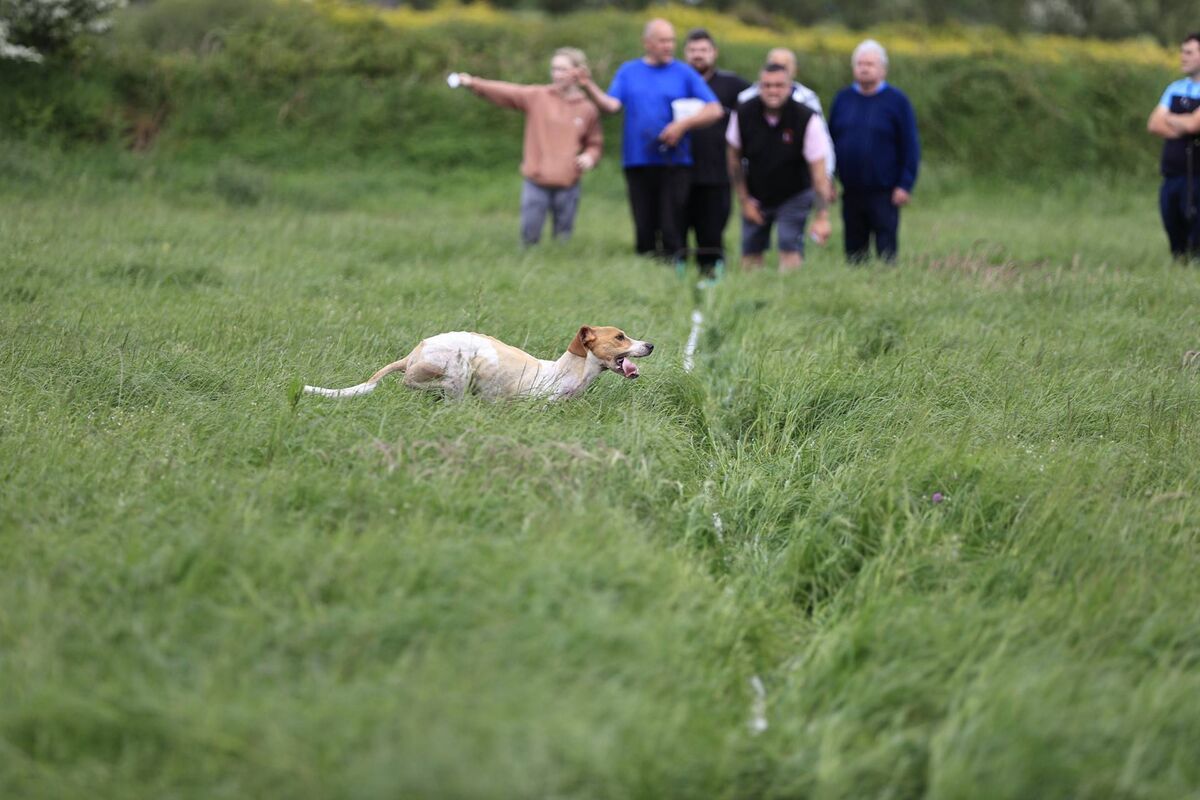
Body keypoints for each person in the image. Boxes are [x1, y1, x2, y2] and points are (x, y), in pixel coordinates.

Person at [579, 19, 722, 260]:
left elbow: (715, 109)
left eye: (672, 40)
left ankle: (673, 269)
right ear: (647, 43)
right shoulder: (629, 71)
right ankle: (646, 271)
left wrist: (683, 125)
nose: (669, 46)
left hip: (675, 162)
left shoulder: (683, 72)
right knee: (644, 223)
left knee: (671, 222)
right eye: (663, 41)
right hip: (638, 159)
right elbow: (612, 106)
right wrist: (588, 85)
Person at [454, 48, 602, 246]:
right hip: (536, 181)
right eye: (554, 69)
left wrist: (589, 157)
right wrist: (473, 83)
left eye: (562, 69)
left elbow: (594, 143)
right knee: (529, 239)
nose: (556, 74)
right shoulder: (538, 96)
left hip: (568, 184)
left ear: (578, 72)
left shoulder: (587, 108)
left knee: (563, 240)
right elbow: (506, 91)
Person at [727, 63, 834, 273]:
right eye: (767, 85)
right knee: (750, 250)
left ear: (789, 87)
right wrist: (744, 201)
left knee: (788, 242)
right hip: (756, 193)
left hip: (795, 192)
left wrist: (822, 217)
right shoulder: (743, 112)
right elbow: (733, 159)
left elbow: (819, 172)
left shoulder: (807, 118)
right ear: (759, 87)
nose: (773, 91)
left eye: (779, 85)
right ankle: (752, 297)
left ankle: (789, 294)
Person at [828, 39, 920, 263]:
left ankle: (886, 286)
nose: (864, 68)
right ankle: (857, 290)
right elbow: (828, 142)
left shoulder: (897, 101)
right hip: (850, 189)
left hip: (885, 191)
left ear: (883, 69)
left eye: (870, 64)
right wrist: (828, 179)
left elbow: (910, 144)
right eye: (860, 63)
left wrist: (905, 184)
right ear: (853, 68)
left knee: (886, 249)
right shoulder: (843, 99)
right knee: (854, 250)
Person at [681, 28, 750, 280]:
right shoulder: (677, 80)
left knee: (711, 231)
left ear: (714, 53)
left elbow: (757, 107)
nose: (698, 55)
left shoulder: (733, 85)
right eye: (693, 50)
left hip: (717, 172)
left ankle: (711, 280)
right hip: (677, 171)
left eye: (704, 50)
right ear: (685, 53)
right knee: (675, 230)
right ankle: (675, 279)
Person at [737, 47, 836, 181]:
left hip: (798, 179)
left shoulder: (808, 99)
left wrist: (827, 173)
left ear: (794, 70)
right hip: (756, 177)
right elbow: (737, 143)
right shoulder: (746, 98)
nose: (779, 70)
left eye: (785, 65)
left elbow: (822, 139)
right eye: (775, 64)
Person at [1147, 33, 1200, 261]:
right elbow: (1154, 123)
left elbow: (1196, 124)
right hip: (1172, 175)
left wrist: (1173, 119)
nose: (1182, 57)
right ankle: (1181, 269)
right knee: (1173, 228)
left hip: (1198, 176)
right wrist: (1184, 125)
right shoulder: (1175, 87)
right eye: (1182, 51)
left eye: (1189, 52)